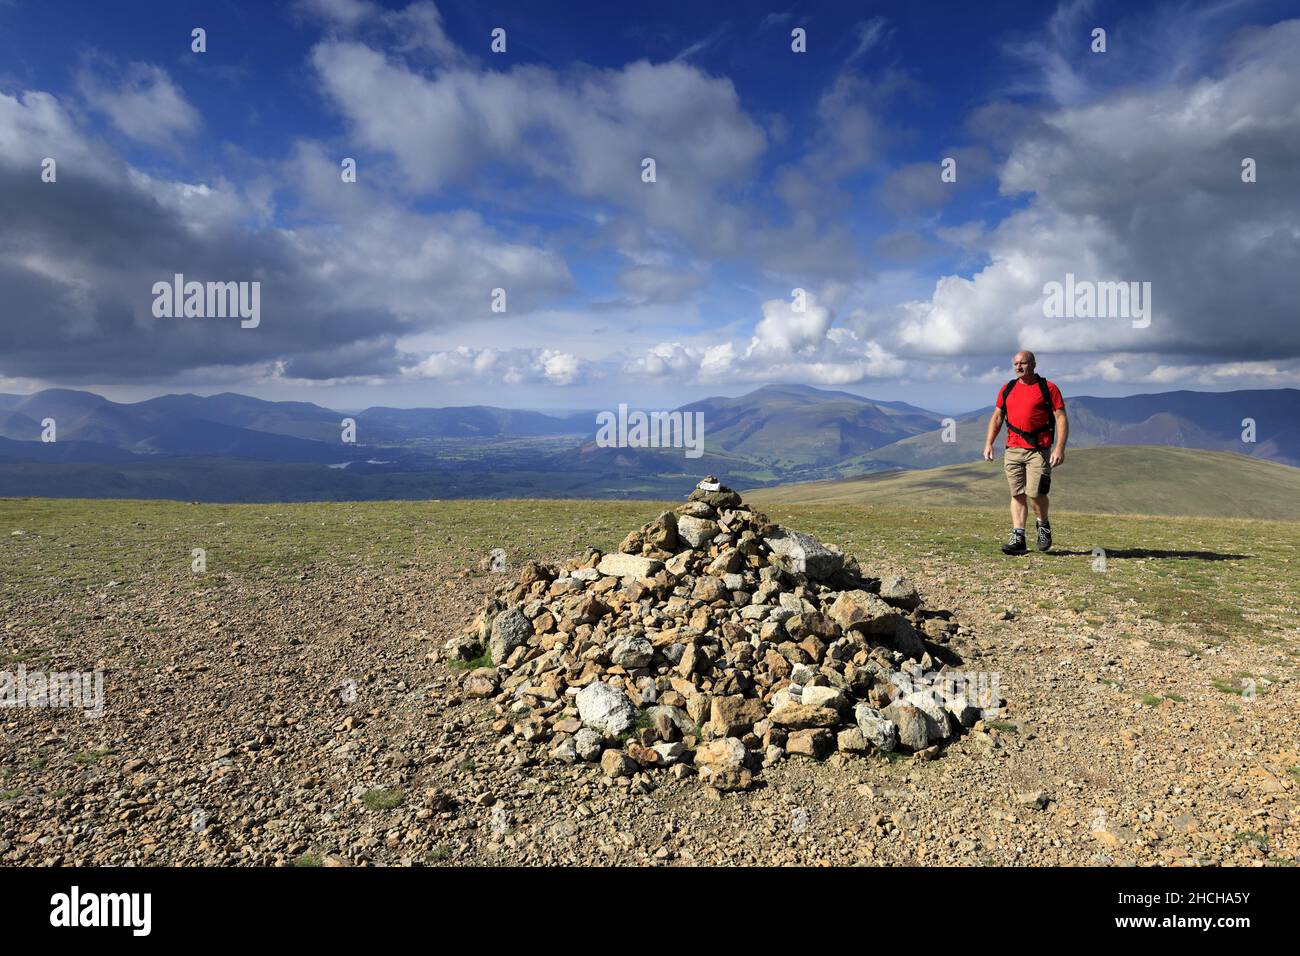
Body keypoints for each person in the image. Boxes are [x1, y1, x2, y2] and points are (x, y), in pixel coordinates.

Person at [982, 350, 1068, 554]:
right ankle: (1018, 537)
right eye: (1015, 364)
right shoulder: (1008, 388)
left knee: (1036, 493)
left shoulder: (1048, 388)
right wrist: (989, 443)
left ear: (1034, 365)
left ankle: (1043, 524)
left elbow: (1061, 418)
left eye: (1023, 363)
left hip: (1038, 450)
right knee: (1017, 493)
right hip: (1013, 449)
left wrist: (1059, 448)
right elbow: (997, 417)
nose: (1019, 367)